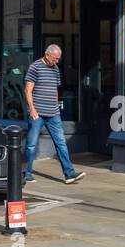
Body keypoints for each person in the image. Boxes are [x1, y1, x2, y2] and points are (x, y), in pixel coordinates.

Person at [23, 44, 83, 185]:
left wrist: (56, 106)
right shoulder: (35, 67)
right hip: (37, 113)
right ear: (47, 54)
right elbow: (27, 90)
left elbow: (55, 89)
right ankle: (27, 174)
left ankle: (69, 174)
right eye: (54, 58)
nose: (56, 61)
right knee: (31, 144)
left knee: (61, 143)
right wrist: (32, 110)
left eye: (58, 59)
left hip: (53, 114)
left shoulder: (55, 69)